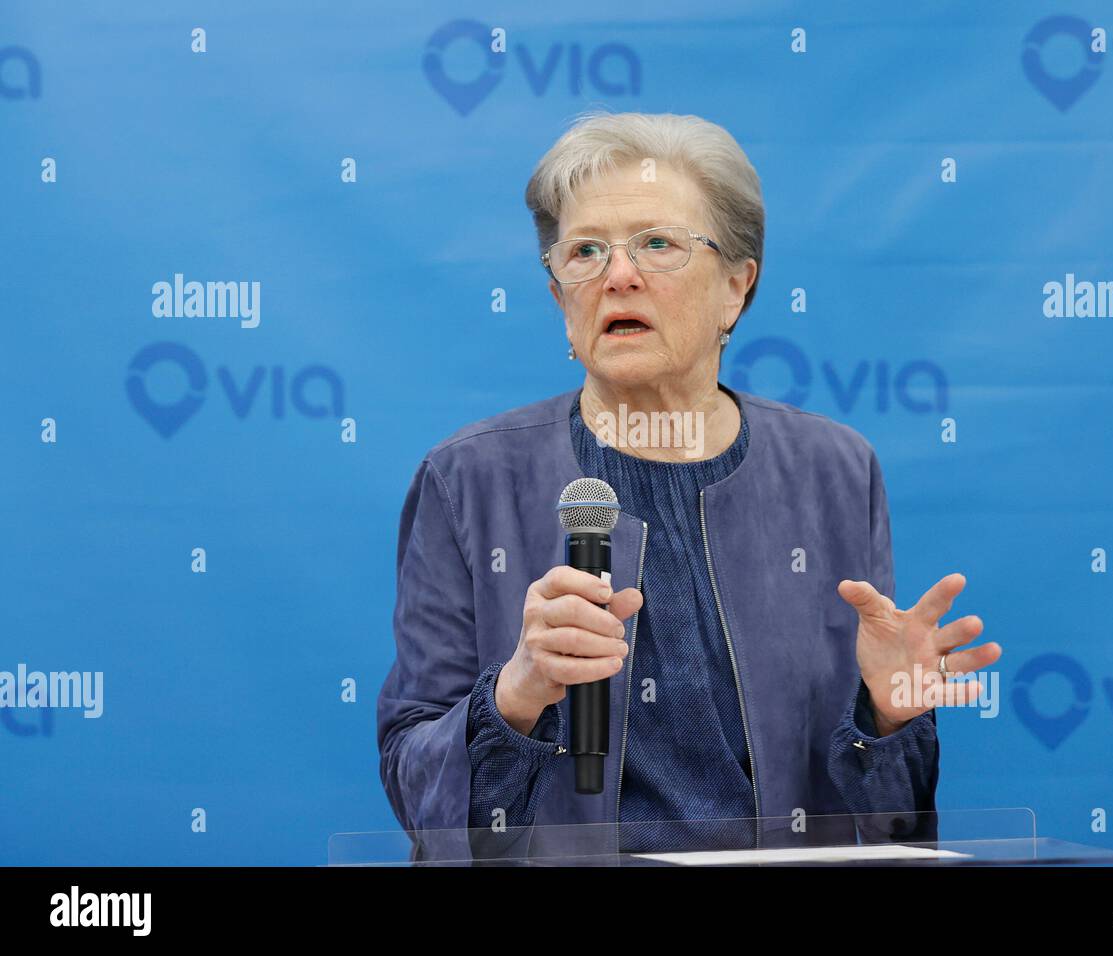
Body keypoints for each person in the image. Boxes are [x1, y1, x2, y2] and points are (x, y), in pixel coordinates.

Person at [376, 110, 1000, 861]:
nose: (618, 275)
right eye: (584, 252)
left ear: (736, 288)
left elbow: (897, 827)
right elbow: (417, 794)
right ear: (560, 305)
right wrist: (517, 695)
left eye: (658, 244)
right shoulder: (467, 478)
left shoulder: (836, 471)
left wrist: (890, 722)